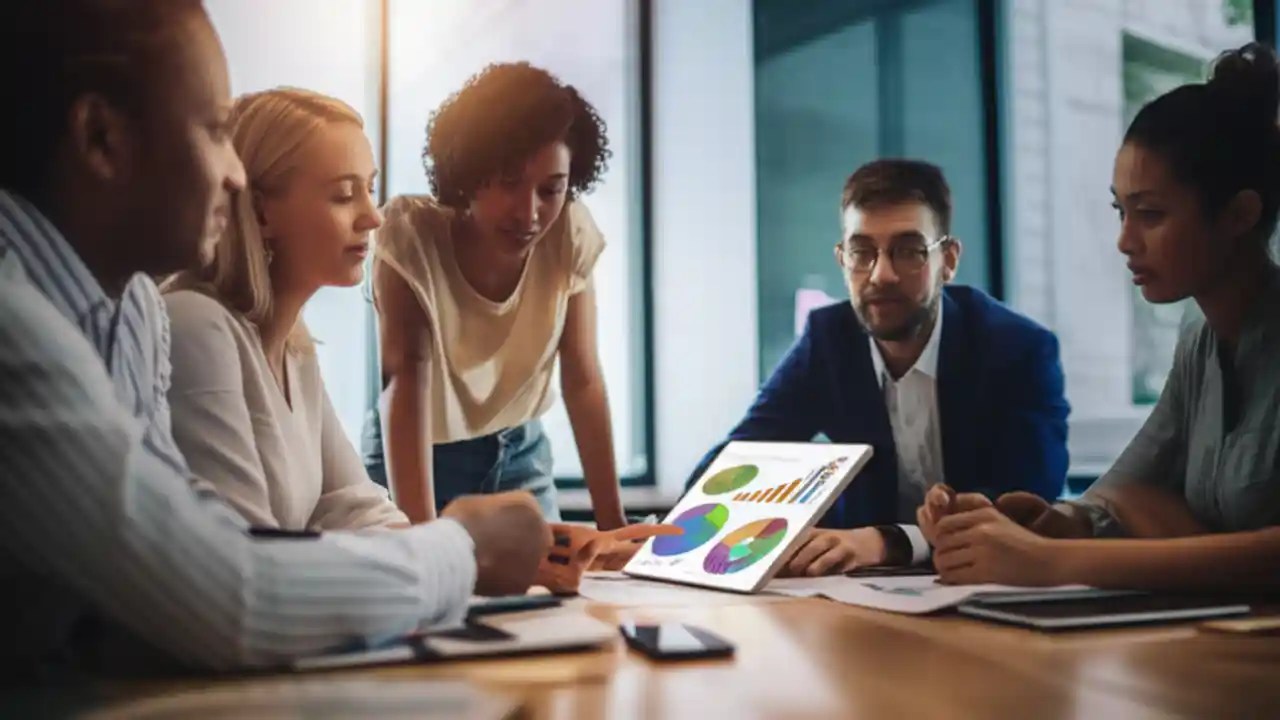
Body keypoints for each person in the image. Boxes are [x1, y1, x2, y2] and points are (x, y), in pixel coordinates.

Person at [0, 0, 547, 673]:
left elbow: (220, 539)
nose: (233, 176)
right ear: (102, 139)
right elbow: (235, 592)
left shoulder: (133, 310)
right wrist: (462, 546)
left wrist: (448, 552)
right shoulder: (21, 332)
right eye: (212, 130)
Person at [923, 43, 1280, 592]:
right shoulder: (1200, 337)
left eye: (1151, 214)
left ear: (1240, 214)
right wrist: (1051, 524)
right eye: (1121, 210)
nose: (1125, 241)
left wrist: (1050, 562)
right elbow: (1125, 490)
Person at [692, 159, 1069, 575]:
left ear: (949, 260)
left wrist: (887, 542)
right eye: (861, 252)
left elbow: (1031, 505)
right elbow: (731, 469)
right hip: (864, 593)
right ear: (842, 258)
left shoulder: (1015, 348)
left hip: (997, 585)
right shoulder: (828, 341)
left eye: (908, 251)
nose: (882, 274)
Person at [364, 62, 627, 528]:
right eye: (509, 183)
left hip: (521, 455)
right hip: (419, 457)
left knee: (547, 599)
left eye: (551, 189)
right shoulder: (410, 238)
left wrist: (613, 525)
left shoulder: (570, 231)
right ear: (471, 170)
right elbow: (406, 382)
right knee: (424, 592)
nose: (529, 212)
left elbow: (582, 380)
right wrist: (424, 542)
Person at [162, 88, 408, 532]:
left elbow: (356, 506)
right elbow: (250, 552)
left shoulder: (296, 350)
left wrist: (457, 554)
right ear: (259, 212)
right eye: (344, 194)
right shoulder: (195, 327)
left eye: (369, 189)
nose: (373, 217)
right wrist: (453, 553)